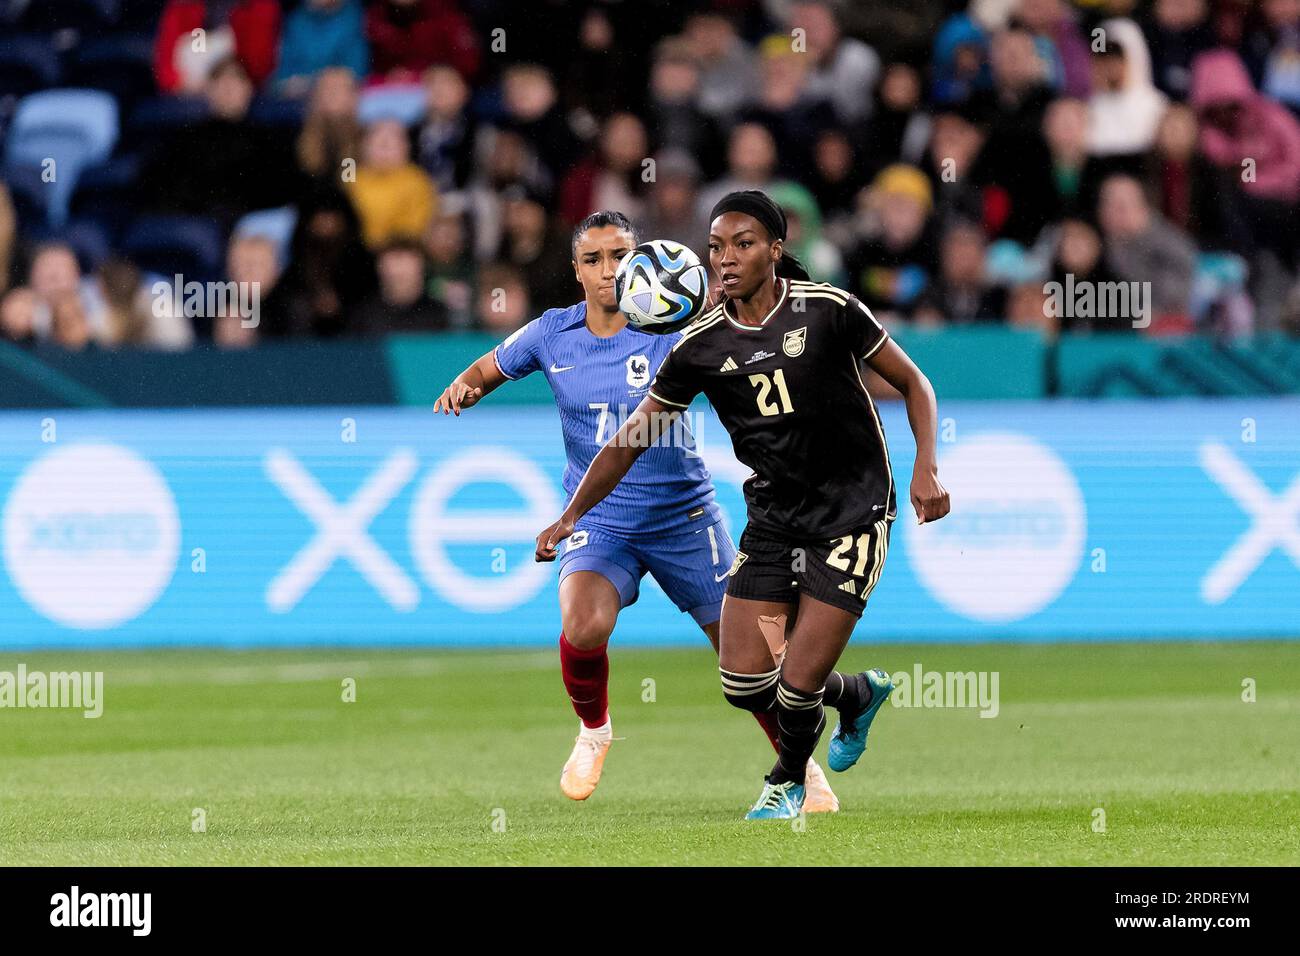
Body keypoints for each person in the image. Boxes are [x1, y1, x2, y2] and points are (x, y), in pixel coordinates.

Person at [534, 191, 950, 820]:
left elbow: (914, 382)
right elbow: (628, 442)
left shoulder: (828, 309)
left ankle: (785, 785)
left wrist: (925, 466)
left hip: (852, 509)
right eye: (716, 247)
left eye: (744, 244)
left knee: (796, 681)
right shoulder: (698, 345)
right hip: (776, 518)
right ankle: (859, 694)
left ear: (776, 251)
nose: (726, 258)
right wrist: (570, 516)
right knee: (743, 681)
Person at [435, 210, 841, 811]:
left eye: (621, 255)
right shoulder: (552, 333)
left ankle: (799, 770)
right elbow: (488, 368)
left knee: (751, 656)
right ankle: (594, 730)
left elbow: (755, 354)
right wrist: (463, 388)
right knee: (583, 622)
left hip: (686, 516)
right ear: (576, 271)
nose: (609, 271)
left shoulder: (679, 326)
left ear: (643, 259)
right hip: (601, 519)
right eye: (594, 259)